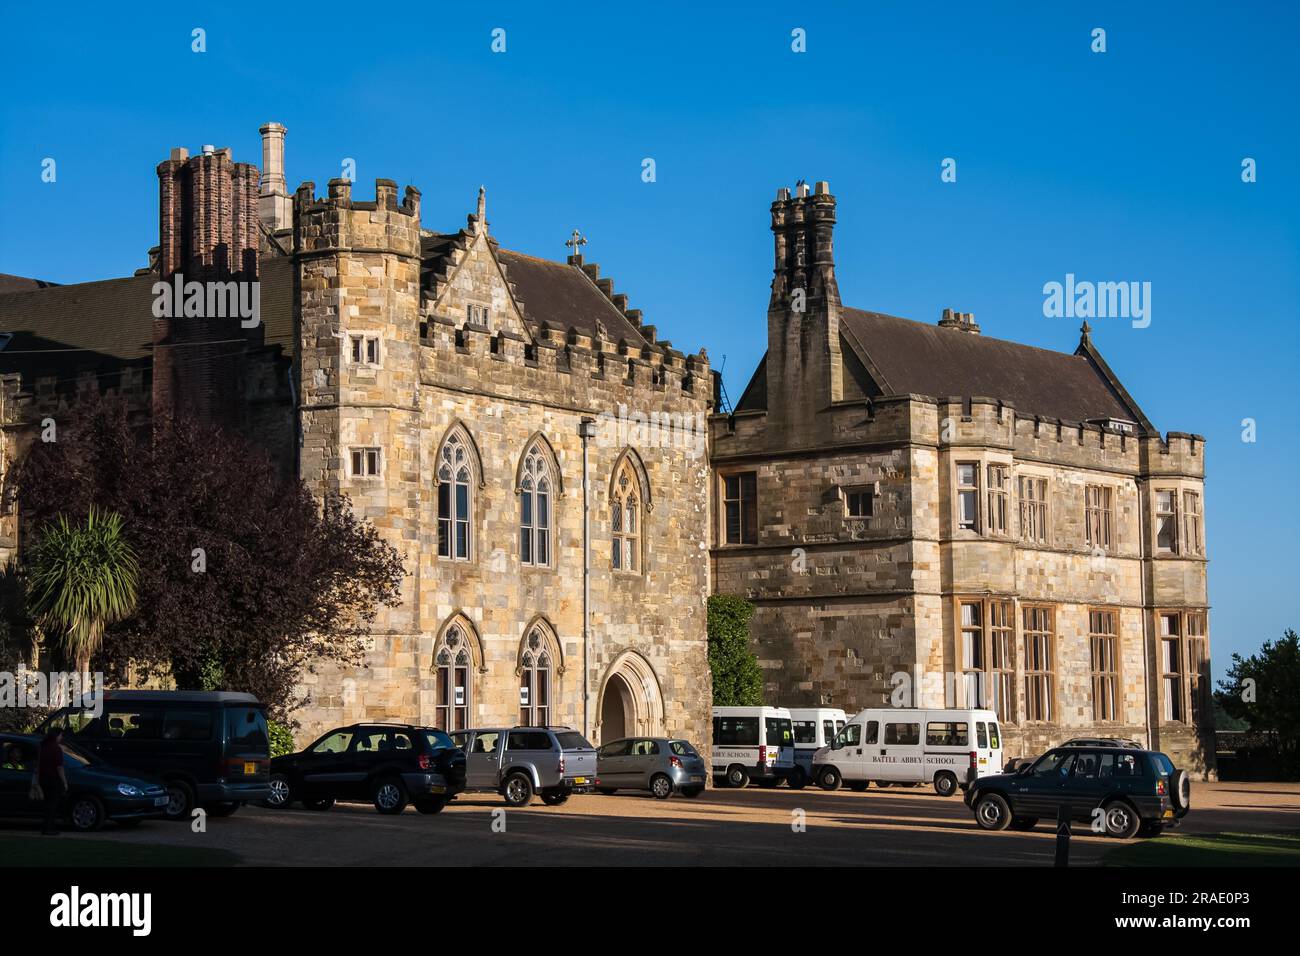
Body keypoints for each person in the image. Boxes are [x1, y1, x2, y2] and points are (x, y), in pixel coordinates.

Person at [36, 728, 67, 836]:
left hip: (43, 778)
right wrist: (64, 781)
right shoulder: (56, 748)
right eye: (61, 735)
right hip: (53, 779)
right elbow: (59, 767)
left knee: (47, 805)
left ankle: (46, 826)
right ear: (56, 736)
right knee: (52, 805)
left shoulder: (43, 746)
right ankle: (48, 827)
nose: (61, 738)